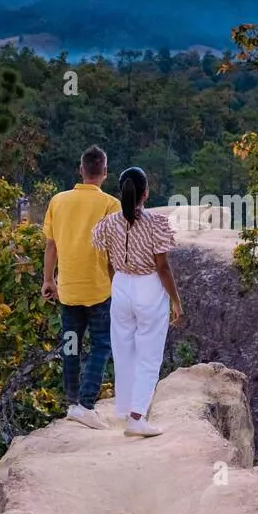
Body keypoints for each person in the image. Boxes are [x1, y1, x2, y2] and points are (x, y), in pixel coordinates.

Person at [91, 166, 183, 438]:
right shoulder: (157, 223)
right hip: (148, 287)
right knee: (149, 354)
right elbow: (163, 268)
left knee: (124, 352)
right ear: (146, 193)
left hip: (120, 285)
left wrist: (117, 280)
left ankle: (126, 409)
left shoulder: (108, 223)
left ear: (121, 192)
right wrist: (176, 301)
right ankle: (137, 417)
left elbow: (106, 258)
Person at [41, 145, 121, 429]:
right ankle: (86, 405)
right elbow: (114, 250)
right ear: (105, 173)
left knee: (71, 345)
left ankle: (72, 403)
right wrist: (117, 282)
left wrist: (48, 280)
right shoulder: (110, 204)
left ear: (81, 170)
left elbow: (51, 244)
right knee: (101, 344)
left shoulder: (58, 201)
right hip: (99, 288)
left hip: (69, 288)